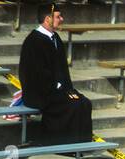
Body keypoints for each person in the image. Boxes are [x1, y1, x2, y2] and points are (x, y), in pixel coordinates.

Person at [17, 3, 93, 145]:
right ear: (47, 19)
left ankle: (79, 145)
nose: (62, 19)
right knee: (74, 105)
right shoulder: (33, 41)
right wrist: (57, 87)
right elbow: (35, 74)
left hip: (56, 90)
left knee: (84, 103)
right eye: (58, 16)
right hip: (40, 92)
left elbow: (62, 69)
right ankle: (61, 142)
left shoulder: (55, 38)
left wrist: (67, 88)